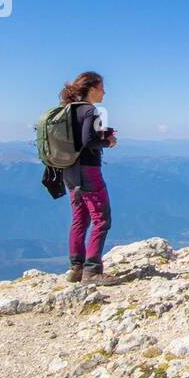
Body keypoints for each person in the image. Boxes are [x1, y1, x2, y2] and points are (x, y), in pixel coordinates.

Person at [58, 71, 118, 284]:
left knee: (79, 218)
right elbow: (88, 141)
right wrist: (108, 141)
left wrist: (99, 135)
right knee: (101, 219)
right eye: (101, 88)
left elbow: (78, 138)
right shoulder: (91, 111)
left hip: (69, 171)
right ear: (91, 89)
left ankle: (76, 268)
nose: (104, 92)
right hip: (88, 171)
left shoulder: (68, 110)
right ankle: (92, 271)